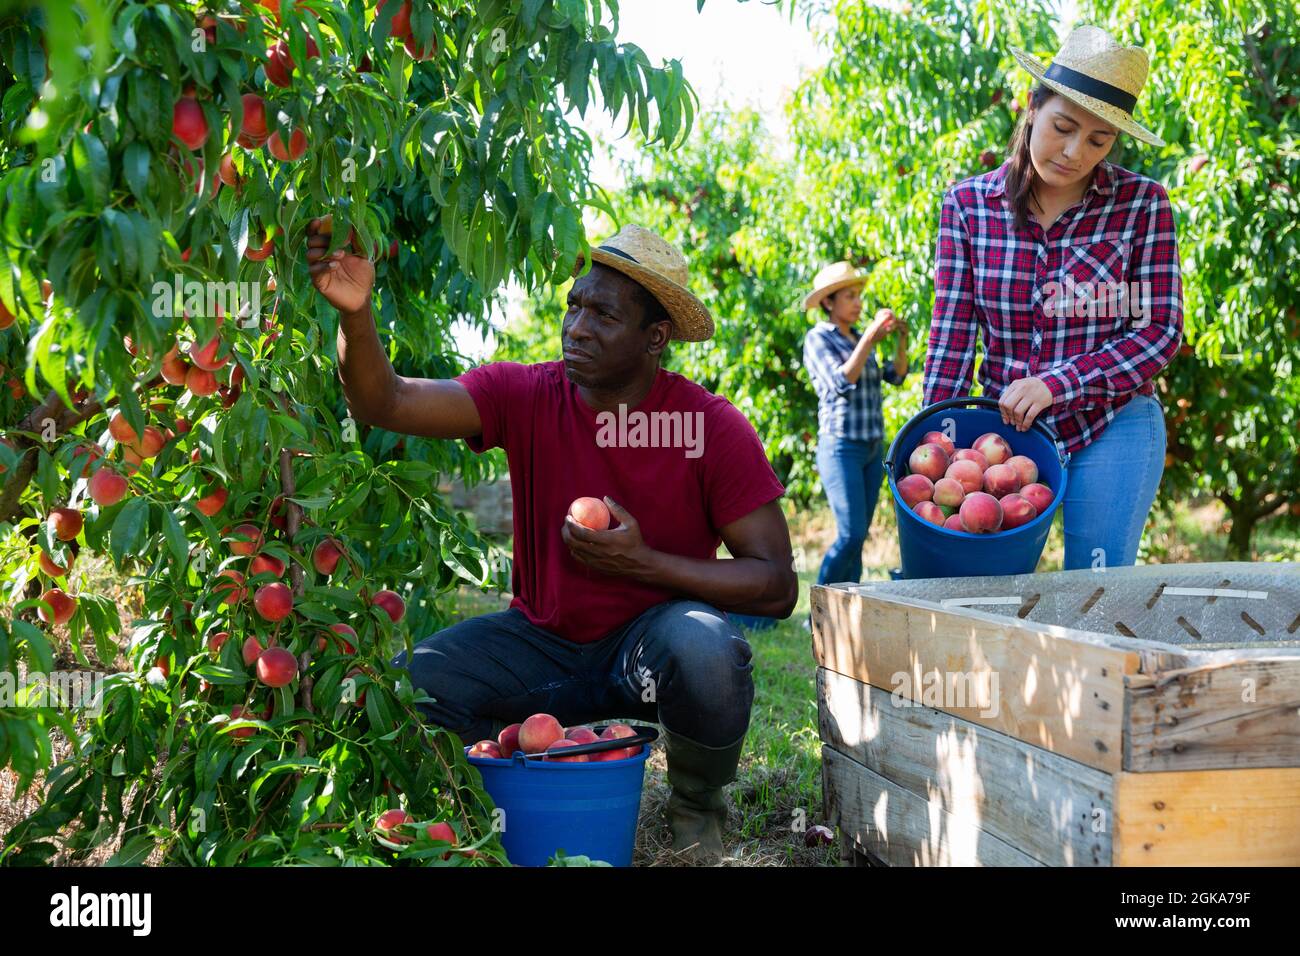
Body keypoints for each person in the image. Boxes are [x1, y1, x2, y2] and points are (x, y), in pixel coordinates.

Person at [307, 221, 798, 865]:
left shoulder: (709, 427)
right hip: (543, 644)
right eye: (574, 305)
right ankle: (508, 775)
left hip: (650, 647)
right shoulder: (528, 394)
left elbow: (777, 584)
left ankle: (696, 806)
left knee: (708, 647)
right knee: (415, 684)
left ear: (655, 339)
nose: (577, 326)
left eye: (603, 315)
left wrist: (643, 563)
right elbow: (387, 403)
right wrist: (357, 315)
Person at [923, 25, 1183, 569]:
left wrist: (1056, 384)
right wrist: (932, 449)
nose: (1073, 152)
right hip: (1004, 431)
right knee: (980, 589)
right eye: (1062, 127)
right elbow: (952, 337)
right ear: (1031, 106)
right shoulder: (968, 206)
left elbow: (1159, 330)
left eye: (1098, 140)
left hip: (1112, 420)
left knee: (1096, 590)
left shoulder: (1142, 206)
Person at [802, 262, 908, 587]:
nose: (858, 303)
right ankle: (820, 606)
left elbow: (898, 376)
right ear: (829, 303)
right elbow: (841, 380)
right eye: (850, 296)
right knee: (850, 533)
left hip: (872, 448)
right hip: (841, 447)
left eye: (858, 296)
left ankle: (849, 606)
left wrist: (899, 340)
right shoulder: (819, 338)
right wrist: (871, 339)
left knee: (859, 535)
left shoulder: (862, 337)